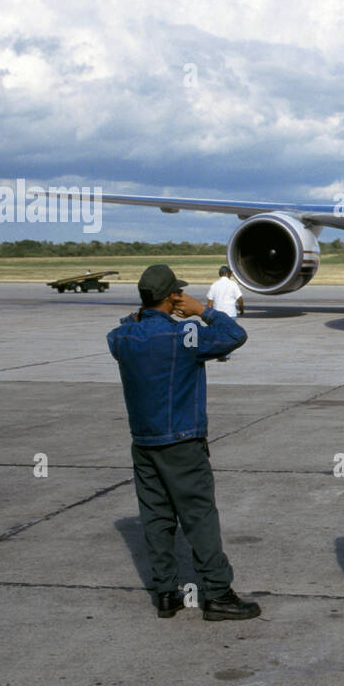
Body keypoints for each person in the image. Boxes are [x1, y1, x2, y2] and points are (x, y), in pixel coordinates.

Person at [108, 264, 260, 620]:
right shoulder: (185, 337)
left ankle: (166, 593)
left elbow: (120, 329)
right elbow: (235, 334)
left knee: (156, 518)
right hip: (182, 441)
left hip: (144, 443)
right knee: (199, 517)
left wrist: (144, 313)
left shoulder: (123, 339)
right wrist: (201, 311)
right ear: (171, 297)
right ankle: (218, 594)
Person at [206, 266, 244, 361]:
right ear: (227, 274)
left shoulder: (214, 285)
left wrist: (208, 314)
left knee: (219, 334)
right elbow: (239, 299)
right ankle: (226, 354)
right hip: (230, 313)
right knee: (229, 334)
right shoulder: (233, 284)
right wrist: (241, 309)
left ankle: (221, 353)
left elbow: (210, 302)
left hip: (218, 313)